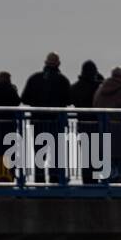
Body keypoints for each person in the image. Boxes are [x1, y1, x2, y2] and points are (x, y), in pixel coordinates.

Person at [21, 52, 72, 183]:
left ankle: (39, 178)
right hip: (57, 121)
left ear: (45, 63)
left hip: (38, 120)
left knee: (39, 152)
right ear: (58, 64)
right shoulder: (63, 80)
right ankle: (55, 179)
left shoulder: (34, 79)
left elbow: (25, 98)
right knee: (56, 151)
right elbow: (69, 99)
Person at [71, 60, 104, 181]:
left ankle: (87, 181)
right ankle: (98, 180)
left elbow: (70, 100)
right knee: (99, 155)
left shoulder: (75, 87)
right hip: (99, 124)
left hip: (83, 124)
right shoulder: (100, 86)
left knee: (86, 155)